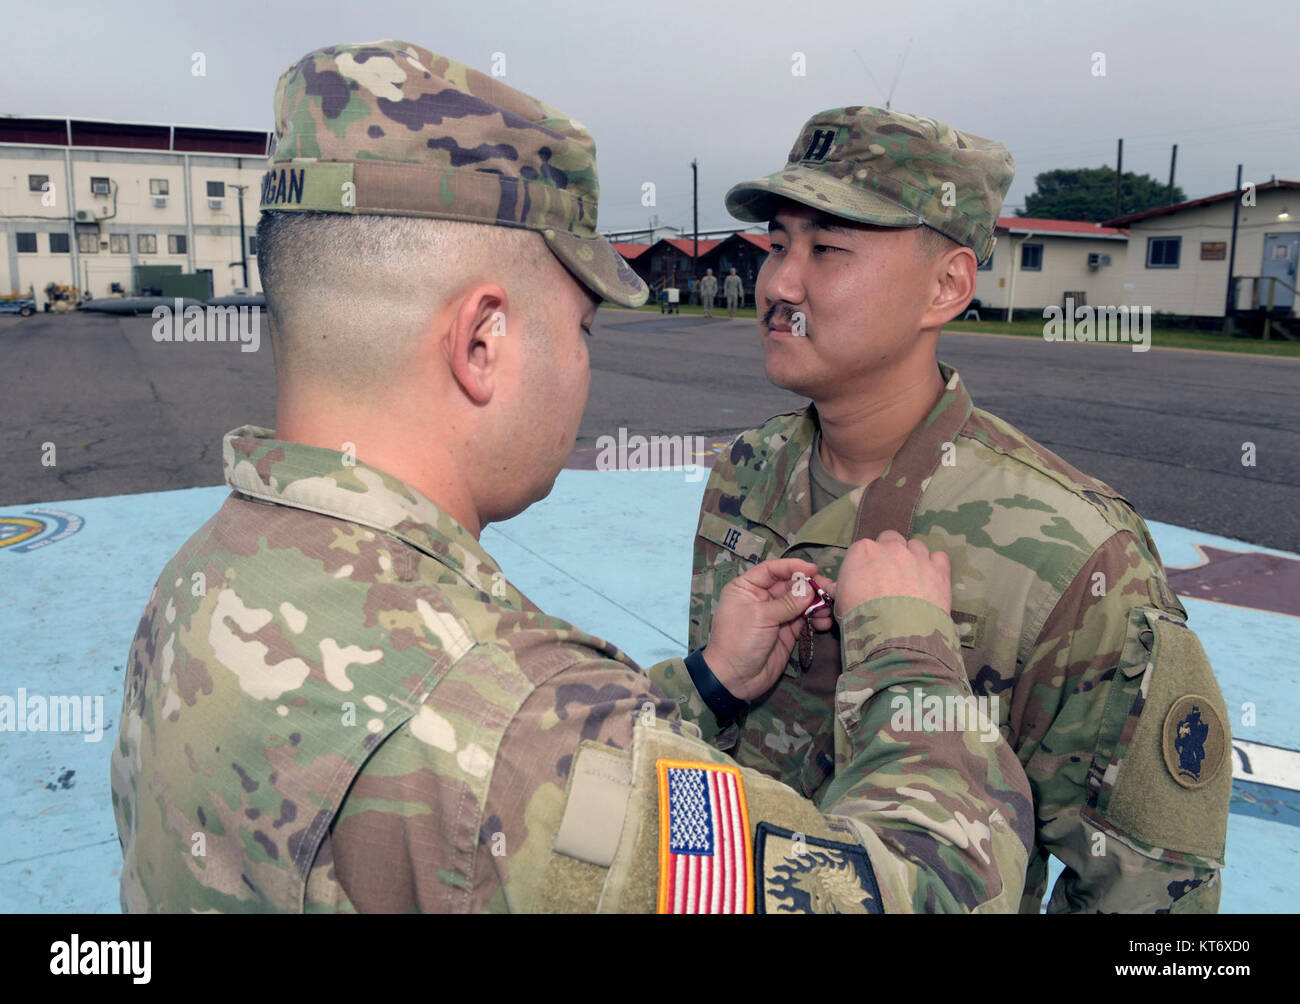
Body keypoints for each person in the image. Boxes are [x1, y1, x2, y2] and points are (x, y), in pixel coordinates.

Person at [109, 47, 1032, 914]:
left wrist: (706, 685)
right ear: (483, 341)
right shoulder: (524, 735)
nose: (587, 370)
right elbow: (931, 888)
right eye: (583, 329)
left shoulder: (203, 578)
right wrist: (909, 654)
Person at [657, 106, 1231, 914]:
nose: (781, 284)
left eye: (827, 249)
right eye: (778, 244)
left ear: (947, 285)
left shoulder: (1076, 556)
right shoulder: (744, 474)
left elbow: (1150, 901)